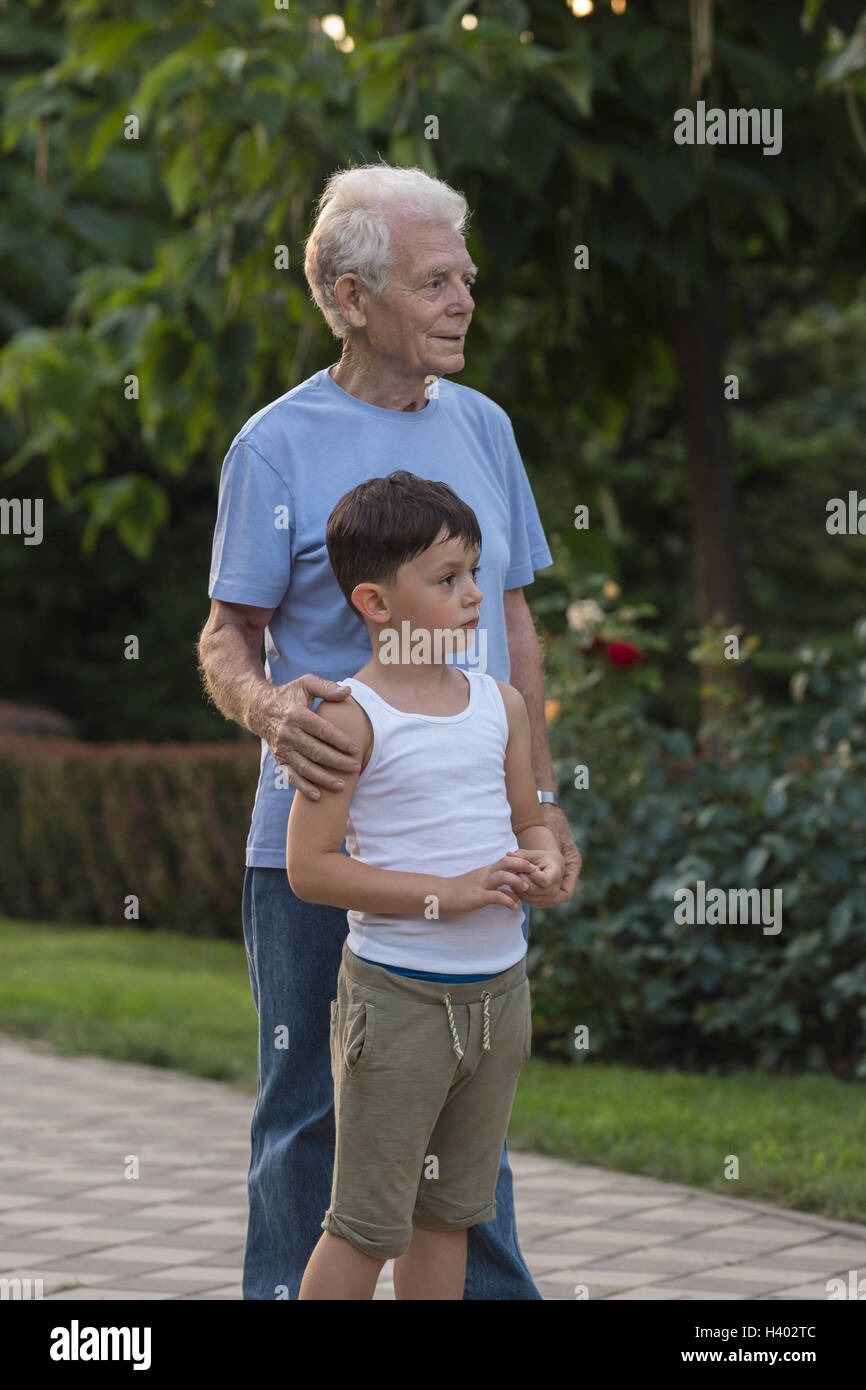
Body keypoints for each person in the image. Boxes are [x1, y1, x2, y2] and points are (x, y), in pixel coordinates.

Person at [197, 161, 582, 1301]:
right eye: (434, 281)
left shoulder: (487, 427)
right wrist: (268, 708)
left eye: (466, 276)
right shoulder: (274, 444)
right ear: (353, 296)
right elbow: (228, 635)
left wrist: (543, 807)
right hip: (322, 852)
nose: (466, 298)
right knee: (310, 1118)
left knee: (466, 1128)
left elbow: (513, 626)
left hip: (473, 842)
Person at [289, 471, 564, 1300]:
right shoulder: (349, 719)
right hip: (400, 1004)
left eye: (475, 572)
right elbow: (312, 870)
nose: (475, 594)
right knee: (367, 1225)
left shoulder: (502, 706)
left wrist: (542, 861)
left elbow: (528, 821)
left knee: (449, 1216)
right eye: (447, 579)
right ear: (375, 602)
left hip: (499, 998)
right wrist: (456, 889)